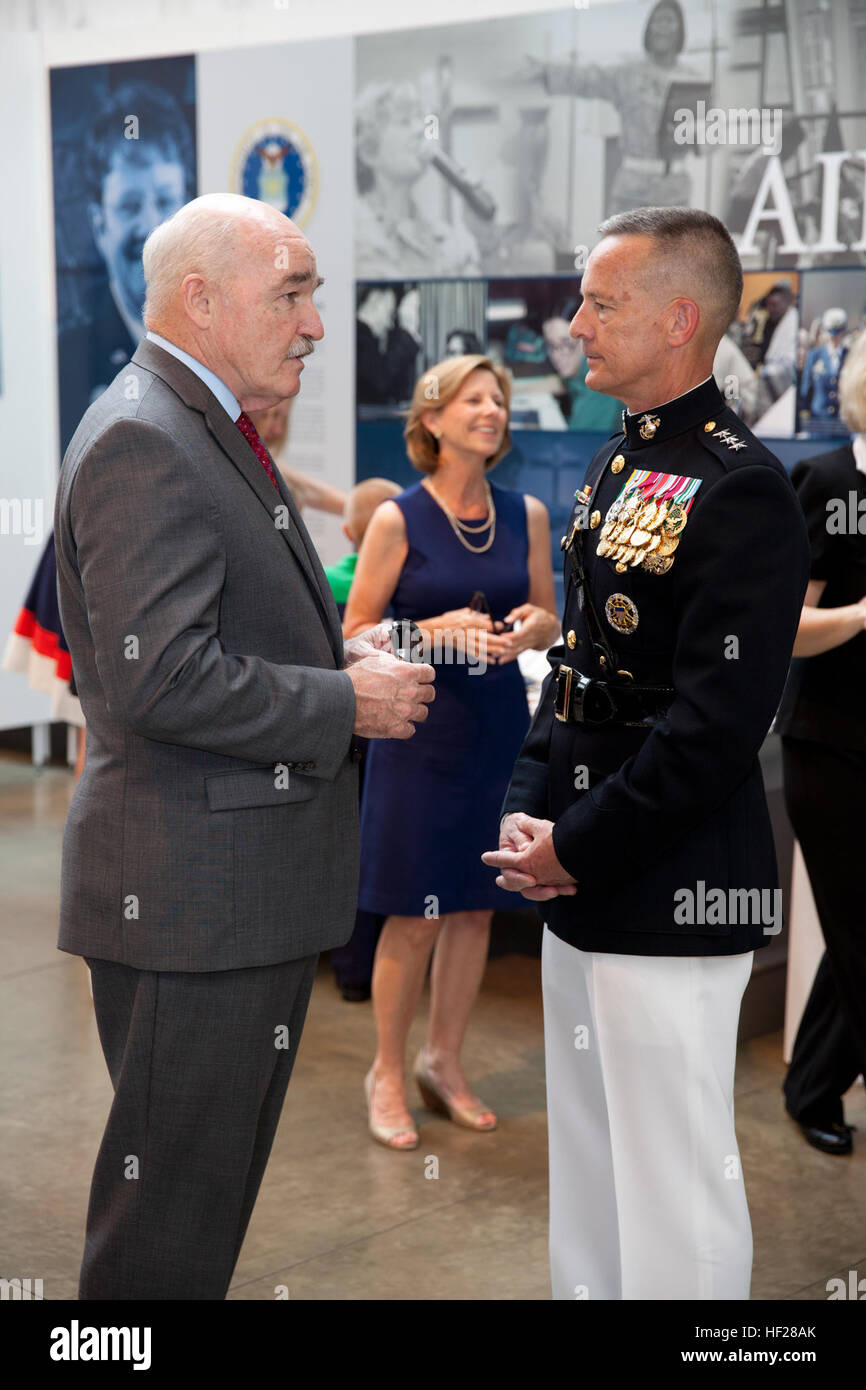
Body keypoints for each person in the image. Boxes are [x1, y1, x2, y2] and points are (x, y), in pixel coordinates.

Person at [54, 192, 435, 1300]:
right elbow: (157, 675)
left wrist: (336, 661)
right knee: (164, 1237)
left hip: (219, 899)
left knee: (192, 1212)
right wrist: (343, 703)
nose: (316, 322)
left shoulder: (191, 420)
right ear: (199, 300)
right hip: (189, 907)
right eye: (292, 292)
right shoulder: (148, 435)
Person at [483, 207, 810, 1300]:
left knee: (672, 1180)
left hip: (671, 883)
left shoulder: (740, 487)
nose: (573, 322)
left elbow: (714, 728)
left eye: (598, 302)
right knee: (589, 1166)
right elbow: (577, 660)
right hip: (582, 872)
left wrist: (577, 840)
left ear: (679, 319)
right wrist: (528, 810)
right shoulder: (618, 461)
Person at [344, 354, 560, 1150]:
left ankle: (444, 1062)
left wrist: (541, 627)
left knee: (473, 909)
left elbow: (546, 612)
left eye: (499, 399)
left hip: (499, 728)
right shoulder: (399, 518)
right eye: (474, 399)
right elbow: (352, 635)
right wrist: (430, 633)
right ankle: (388, 1074)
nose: (493, 410)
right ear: (432, 420)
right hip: (420, 731)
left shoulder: (528, 512)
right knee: (415, 914)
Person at [5, 81, 194, 774]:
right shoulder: (67, 346)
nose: (148, 224)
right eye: (128, 206)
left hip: (145, 567)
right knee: (102, 728)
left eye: (164, 201)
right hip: (96, 565)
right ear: (97, 218)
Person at [776, 329, 866, 1155]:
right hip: (831, 750)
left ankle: (810, 1087)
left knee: (854, 936)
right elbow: (786, 627)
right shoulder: (827, 482)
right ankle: (811, 1091)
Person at [326, 479, 402, 1005]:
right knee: (380, 849)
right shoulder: (407, 591)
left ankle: (351, 971)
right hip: (395, 739)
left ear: (348, 531)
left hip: (337, 738)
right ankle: (370, 966)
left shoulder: (322, 584)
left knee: (348, 848)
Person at [525, 0, 702, 216]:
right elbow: (589, 78)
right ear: (648, 30)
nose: (662, 27)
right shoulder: (628, 74)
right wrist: (545, 72)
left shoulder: (694, 81)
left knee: (673, 251)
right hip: (633, 191)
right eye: (656, 21)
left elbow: (712, 134)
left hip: (676, 193)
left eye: (669, 20)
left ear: (680, 30)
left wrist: (695, 134)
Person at [249, 397, 348, 517]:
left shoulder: (268, 466)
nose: (278, 430)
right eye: (273, 415)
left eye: (284, 418)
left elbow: (310, 490)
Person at [541, 300, 624, 432]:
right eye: (551, 345)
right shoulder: (580, 370)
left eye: (566, 344)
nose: (557, 355)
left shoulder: (600, 386)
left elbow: (576, 446)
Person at [799, 309, 849, 432]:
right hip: (818, 420)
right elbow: (806, 387)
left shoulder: (850, 356)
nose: (834, 337)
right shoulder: (814, 355)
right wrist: (805, 417)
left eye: (838, 333)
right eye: (831, 332)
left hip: (842, 422)